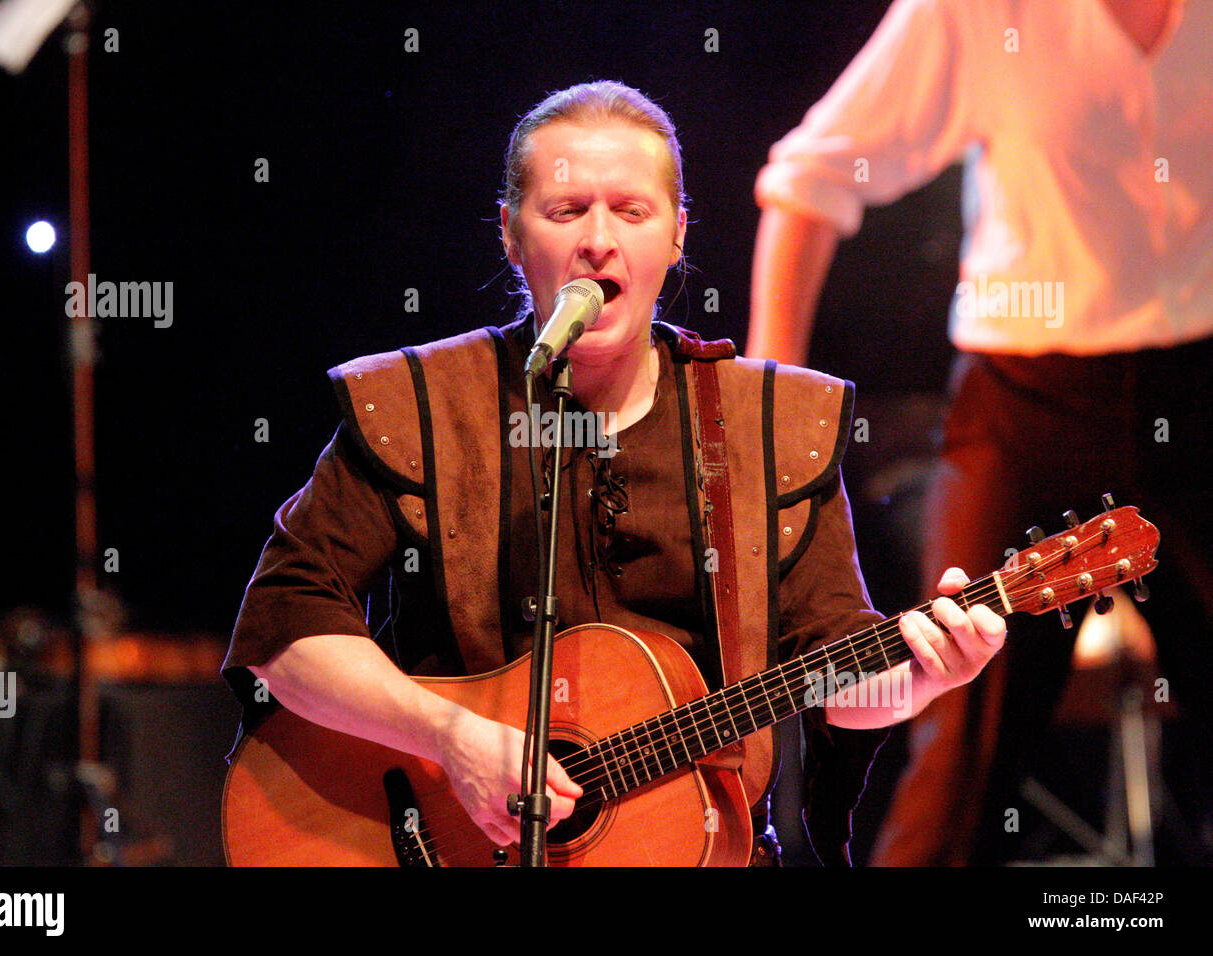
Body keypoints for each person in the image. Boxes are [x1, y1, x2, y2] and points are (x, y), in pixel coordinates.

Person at [222, 80, 1006, 865]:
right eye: (566, 211)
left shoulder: (773, 425)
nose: (599, 240)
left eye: (632, 212)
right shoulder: (423, 404)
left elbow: (836, 683)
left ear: (676, 236)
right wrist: (451, 736)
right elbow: (283, 624)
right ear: (509, 233)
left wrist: (924, 678)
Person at [747, 0, 1212, 864]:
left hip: (1198, 384)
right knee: (961, 740)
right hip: (1026, 399)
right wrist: (767, 409)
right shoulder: (975, 13)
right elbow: (808, 181)